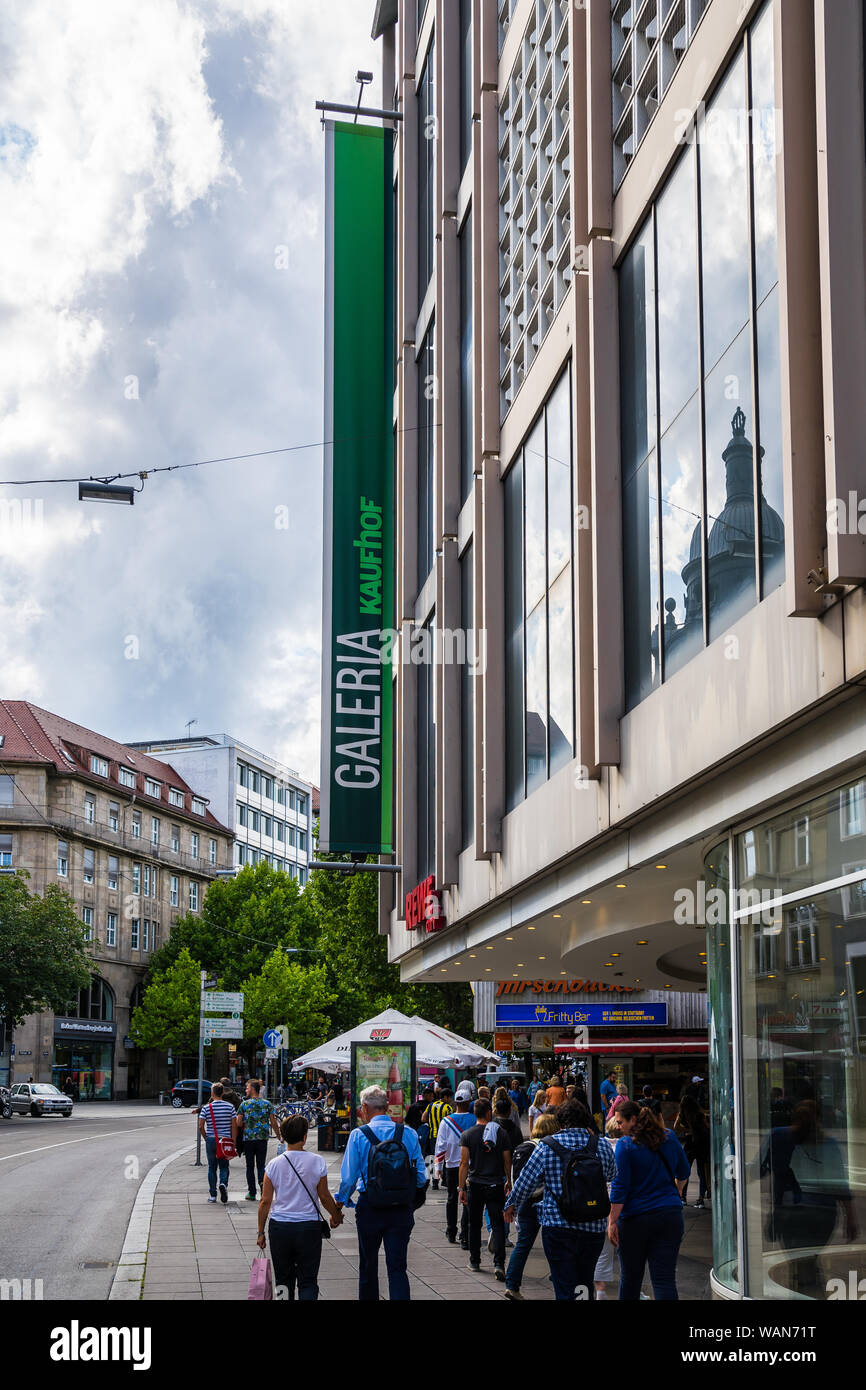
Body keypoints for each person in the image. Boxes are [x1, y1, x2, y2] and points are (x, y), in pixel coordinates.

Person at [505, 1098, 615, 1301]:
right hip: (593, 1226)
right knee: (584, 1280)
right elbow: (610, 1175)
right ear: (585, 1120)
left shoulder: (546, 1147)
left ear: (561, 1122)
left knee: (564, 1283)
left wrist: (511, 1204)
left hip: (558, 1226)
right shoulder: (602, 1146)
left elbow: (525, 1183)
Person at [336, 1084, 428, 1301]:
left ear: (365, 1108)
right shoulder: (408, 1133)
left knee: (368, 1265)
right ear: (387, 1107)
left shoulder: (359, 1135)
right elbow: (422, 1176)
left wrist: (339, 1205)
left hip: (370, 1207)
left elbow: (348, 1179)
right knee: (397, 1267)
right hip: (401, 1209)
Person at [607, 1099, 690, 1300]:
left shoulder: (626, 1145)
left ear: (633, 1119)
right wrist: (675, 1194)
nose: (618, 1127)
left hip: (636, 1219)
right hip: (670, 1216)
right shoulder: (669, 1137)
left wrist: (612, 1221)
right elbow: (684, 1172)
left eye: (620, 1122)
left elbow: (620, 1187)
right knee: (664, 1279)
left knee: (631, 1278)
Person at [256, 1113, 342, 1299]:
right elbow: (325, 1196)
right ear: (304, 1137)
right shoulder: (317, 1161)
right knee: (308, 1280)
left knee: (283, 1280)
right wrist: (336, 1216)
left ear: (284, 1136)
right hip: (308, 1228)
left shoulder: (273, 1164)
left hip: (280, 1227)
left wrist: (261, 1231)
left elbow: (265, 1201)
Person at [504, 1110, 560, 1300]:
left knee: (523, 1243)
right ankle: (557, 1276)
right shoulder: (550, 1147)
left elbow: (517, 1178)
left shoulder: (523, 1147)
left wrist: (512, 1202)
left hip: (526, 1202)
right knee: (554, 1242)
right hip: (548, 1200)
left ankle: (512, 1284)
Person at [459, 1098, 512, 1279]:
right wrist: (509, 1181)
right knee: (497, 1224)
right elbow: (507, 1160)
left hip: (475, 1184)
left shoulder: (467, 1134)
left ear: (475, 1113)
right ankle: (499, 1263)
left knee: (474, 1224)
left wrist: (461, 1188)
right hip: (496, 1184)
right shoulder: (501, 1133)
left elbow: (464, 1163)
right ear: (489, 1112)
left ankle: (475, 1260)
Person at [434, 1083, 476, 1247]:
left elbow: (440, 1146)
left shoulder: (446, 1121)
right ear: (469, 1101)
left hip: (451, 1165)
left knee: (452, 1198)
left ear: (455, 1103)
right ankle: (464, 1233)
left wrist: (437, 1168)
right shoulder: (474, 1120)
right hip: (471, 1165)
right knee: (468, 1199)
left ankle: (451, 1230)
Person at [235, 1077, 282, 1202]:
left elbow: (238, 1123)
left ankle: (251, 1193)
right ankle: (263, 1188)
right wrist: (279, 1136)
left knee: (250, 1166)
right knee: (261, 1165)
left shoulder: (244, 1104)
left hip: (248, 1139)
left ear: (252, 1089)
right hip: (262, 1139)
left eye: (247, 1088)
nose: (246, 1090)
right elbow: (273, 1122)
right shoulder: (267, 1104)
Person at [198, 1081, 237, 1203]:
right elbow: (234, 1126)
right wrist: (233, 1141)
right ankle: (223, 1184)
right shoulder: (230, 1107)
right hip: (225, 1140)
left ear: (212, 1093)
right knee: (224, 1166)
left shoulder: (206, 1108)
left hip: (211, 1139)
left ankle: (213, 1195)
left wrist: (206, 1138)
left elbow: (200, 1126)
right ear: (222, 1093)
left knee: (212, 1167)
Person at [673, 1093, 710, 1208]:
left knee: (685, 1170)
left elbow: (675, 1126)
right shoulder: (699, 1114)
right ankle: (700, 1199)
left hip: (689, 1143)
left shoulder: (682, 1114)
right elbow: (706, 1127)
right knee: (701, 1172)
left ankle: (683, 1197)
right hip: (700, 1143)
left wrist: (687, 1129)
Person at [423, 1083, 454, 1190]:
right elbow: (450, 1123)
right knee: (444, 1158)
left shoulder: (430, 1105)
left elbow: (423, 1118)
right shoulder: (448, 1108)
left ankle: (435, 1183)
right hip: (444, 1137)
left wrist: (432, 1122)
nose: (451, 1100)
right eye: (450, 1097)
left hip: (432, 1136)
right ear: (445, 1097)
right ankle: (445, 1180)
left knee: (434, 1158)